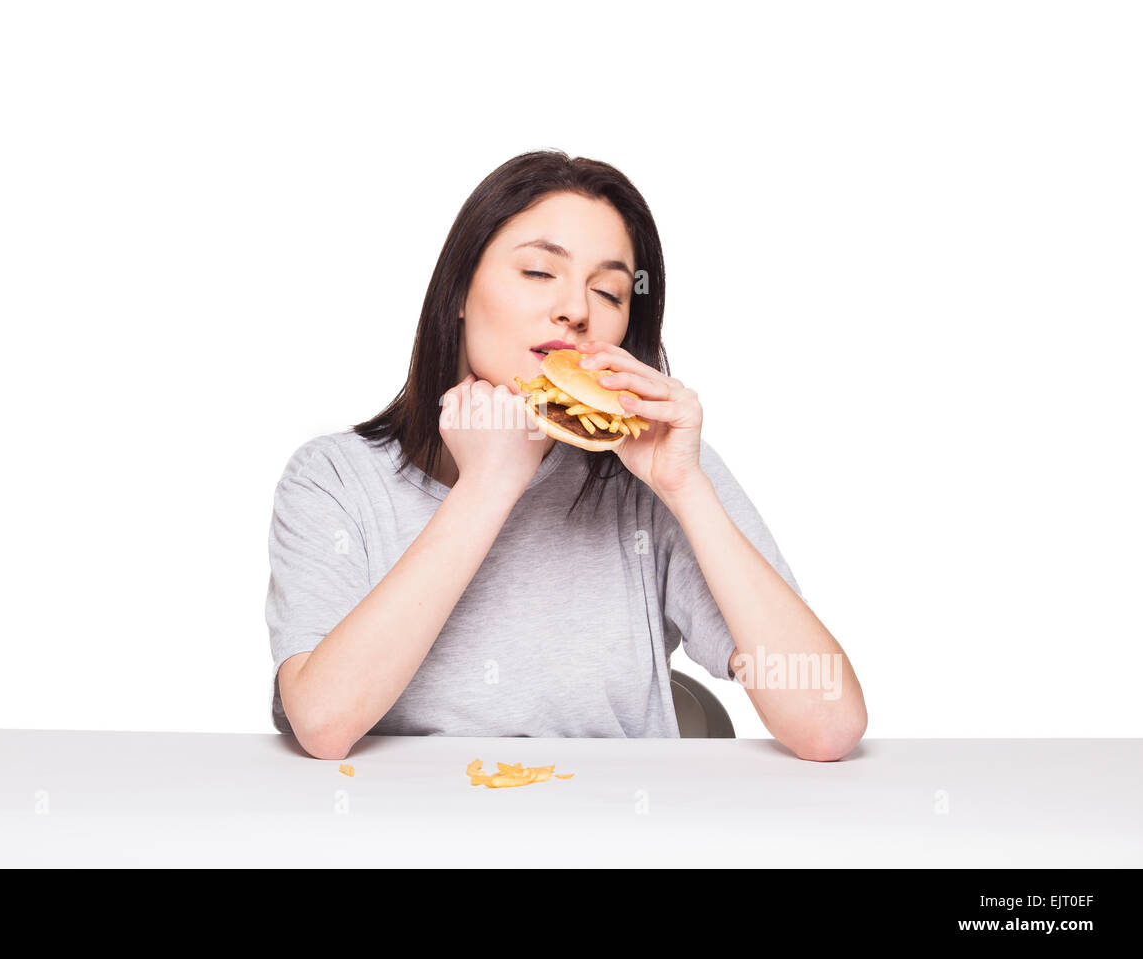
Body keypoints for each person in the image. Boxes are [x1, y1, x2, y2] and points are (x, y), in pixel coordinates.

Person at [265, 149, 867, 761]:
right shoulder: (335, 478)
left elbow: (827, 724)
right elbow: (322, 723)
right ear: (459, 294)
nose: (576, 310)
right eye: (537, 273)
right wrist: (489, 483)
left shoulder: (656, 474)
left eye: (608, 291)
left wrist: (685, 488)